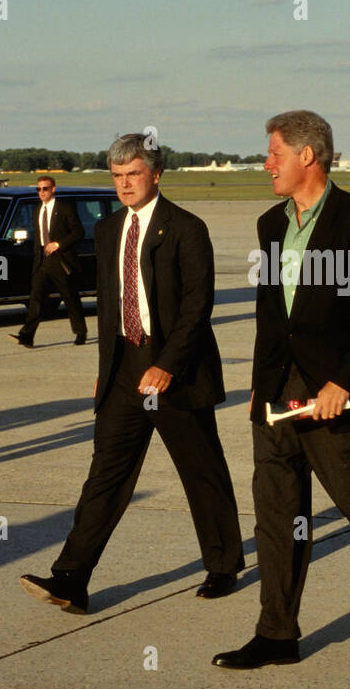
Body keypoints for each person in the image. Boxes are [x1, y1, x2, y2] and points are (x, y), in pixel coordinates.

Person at [211, 110, 350, 669]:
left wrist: (342, 382)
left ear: (307, 156)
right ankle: (277, 634)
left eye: (274, 154)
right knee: (277, 514)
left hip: (334, 391)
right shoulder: (270, 224)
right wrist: (260, 392)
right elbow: (271, 315)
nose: (266, 164)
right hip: (277, 393)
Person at [19, 135, 244, 612]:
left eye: (133, 175)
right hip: (124, 368)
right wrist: (107, 368)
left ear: (156, 175)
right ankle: (71, 579)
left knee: (201, 472)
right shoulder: (107, 230)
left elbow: (196, 307)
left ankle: (223, 566)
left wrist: (167, 364)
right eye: (117, 177)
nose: (124, 185)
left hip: (175, 371)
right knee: (105, 475)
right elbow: (108, 306)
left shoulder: (186, 228)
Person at [9, 175, 88, 347]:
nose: (41, 192)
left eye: (45, 189)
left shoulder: (64, 208)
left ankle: (80, 332)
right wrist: (37, 260)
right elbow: (38, 238)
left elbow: (78, 232)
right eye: (38, 189)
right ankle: (27, 336)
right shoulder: (37, 209)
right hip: (43, 261)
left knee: (70, 298)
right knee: (35, 298)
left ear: (53, 189)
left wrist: (59, 244)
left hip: (60, 260)